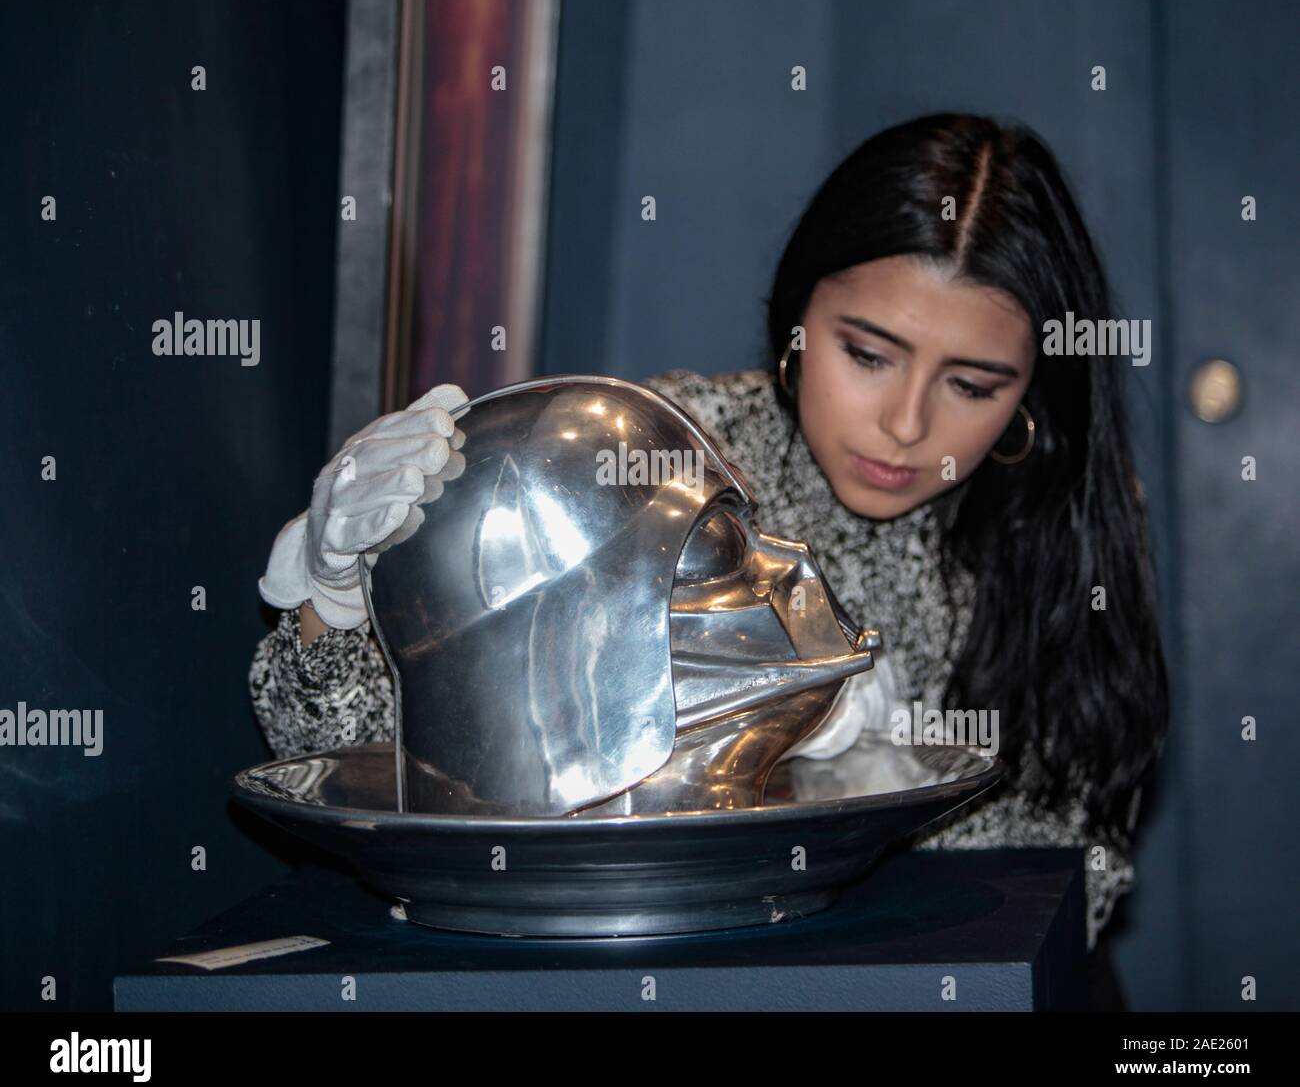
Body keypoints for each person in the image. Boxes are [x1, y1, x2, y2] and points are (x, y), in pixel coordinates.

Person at [249, 113, 1169, 1009]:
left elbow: (1071, 864)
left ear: (1032, 390)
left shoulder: (1060, 522)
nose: (906, 423)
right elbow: (421, 771)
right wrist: (334, 596)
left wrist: (867, 759)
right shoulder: (668, 454)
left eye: (971, 383)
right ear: (797, 315)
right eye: (867, 353)